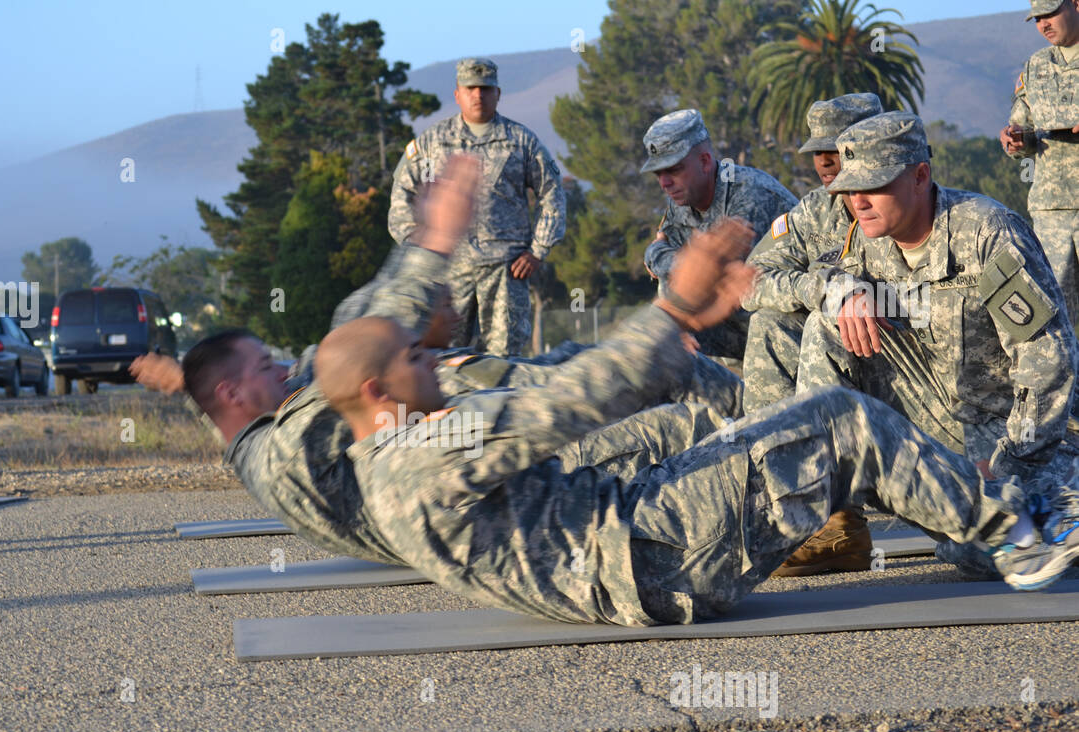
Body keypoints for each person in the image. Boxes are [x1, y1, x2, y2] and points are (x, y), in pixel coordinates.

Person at [313, 219, 1079, 630]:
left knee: (734, 423)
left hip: (626, 538)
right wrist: (672, 308)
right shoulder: (421, 455)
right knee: (843, 419)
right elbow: (566, 404)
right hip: (651, 561)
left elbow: (551, 407)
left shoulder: (394, 450)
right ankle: (1012, 535)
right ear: (381, 388)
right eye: (416, 356)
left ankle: (965, 504)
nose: (431, 361)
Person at [134, 157, 737, 564]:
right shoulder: (285, 453)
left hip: (498, 425)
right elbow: (365, 341)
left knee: (637, 373)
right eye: (264, 367)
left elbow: (340, 353)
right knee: (678, 421)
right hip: (514, 473)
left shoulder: (276, 421)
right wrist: (435, 241)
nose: (281, 370)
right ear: (235, 398)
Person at [795, 111, 1079, 575]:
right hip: (940, 422)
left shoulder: (986, 232)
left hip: (1019, 433)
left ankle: (1045, 515)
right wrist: (842, 290)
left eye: (873, 185)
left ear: (920, 176)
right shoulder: (867, 241)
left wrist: (1005, 467)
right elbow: (826, 271)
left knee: (979, 552)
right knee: (827, 325)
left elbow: (1048, 361)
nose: (858, 202)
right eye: (849, 190)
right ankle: (829, 511)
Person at [740, 92, 883, 576]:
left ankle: (839, 516)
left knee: (972, 553)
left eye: (835, 147)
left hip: (903, 362)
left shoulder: (900, 201)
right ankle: (811, 510)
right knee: (772, 323)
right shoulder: (813, 212)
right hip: (843, 362)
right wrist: (821, 285)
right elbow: (750, 282)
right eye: (816, 151)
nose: (823, 160)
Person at [388, 57, 566, 357]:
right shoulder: (433, 143)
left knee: (504, 362)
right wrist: (421, 253)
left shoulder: (522, 142)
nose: (478, 95)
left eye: (486, 88)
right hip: (448, 274)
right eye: (470, 88)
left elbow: (553, 193)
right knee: (442, 358)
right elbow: (402, 196)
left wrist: (538, 250)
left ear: (498, 94)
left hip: (506, 271)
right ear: (457, 94)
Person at [641, 108, 797, 360]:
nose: (664, 183)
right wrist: (659, 255)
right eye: (658, 173)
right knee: (662, 337)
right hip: (734, 326)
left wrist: (659, 254)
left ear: (704, 161)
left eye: (673, 170)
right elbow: (677, 272)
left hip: (783, 327)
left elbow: (712, 279)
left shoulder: (749, 195)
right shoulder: (681, 202)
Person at [1001, 0, 1079, 332]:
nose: (1044, 24)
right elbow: (1022, 127)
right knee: (1056, 313)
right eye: (1037, 19)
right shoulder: (1036, 66)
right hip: (1052, 209)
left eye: (1050, 14)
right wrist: (1015, 141)